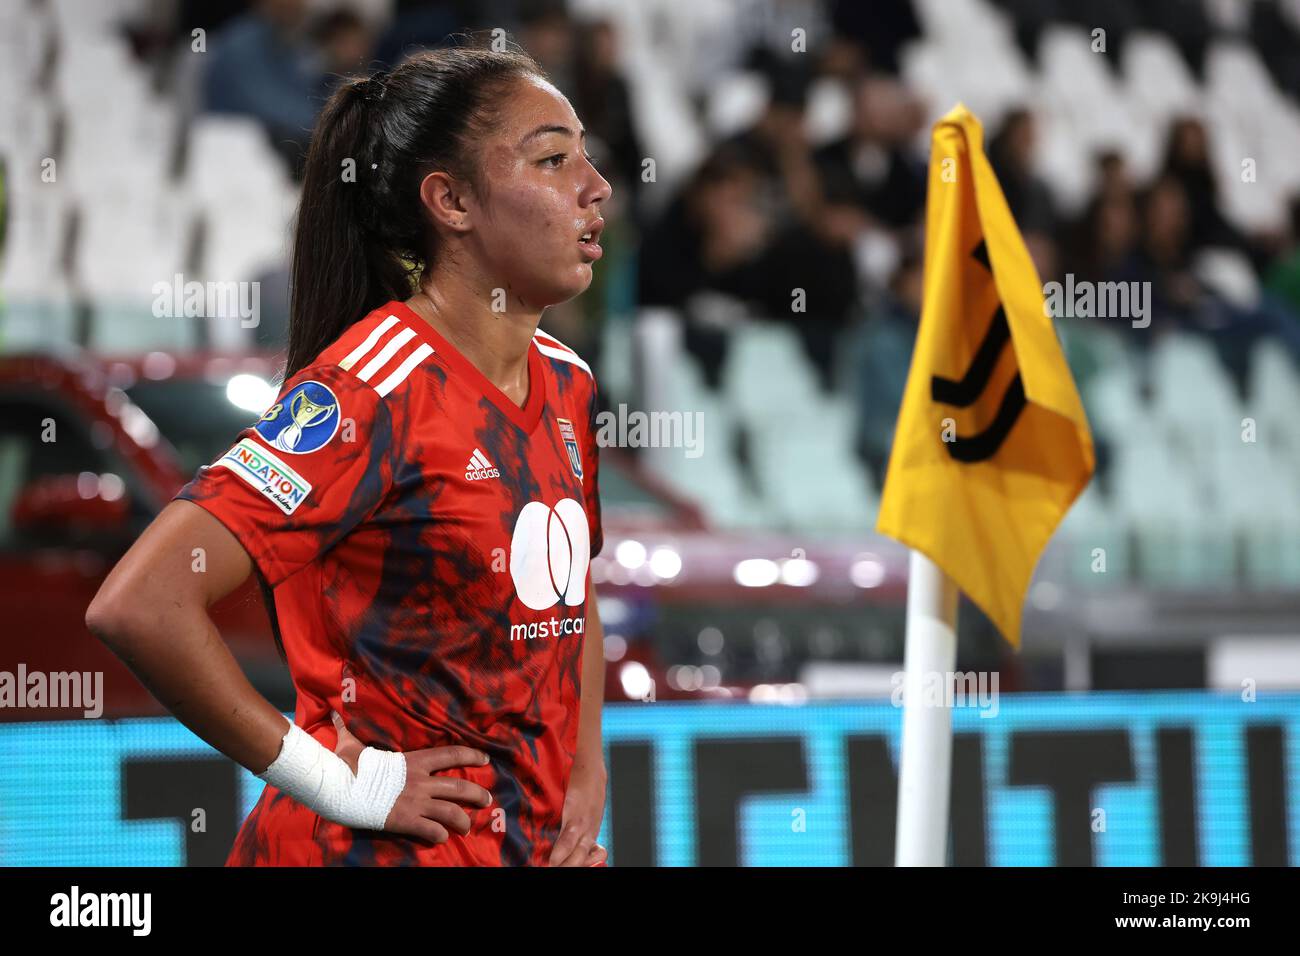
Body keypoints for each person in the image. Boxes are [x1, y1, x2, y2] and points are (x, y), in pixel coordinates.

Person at [86, 45, 613, 867]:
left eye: (586, 153)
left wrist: (583, 782)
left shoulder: (568, 382)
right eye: (553, 158)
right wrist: (342, 783)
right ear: (451, 201)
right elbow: (140, 605)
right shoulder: (369, 395)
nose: (595, 186)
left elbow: (568, 593)